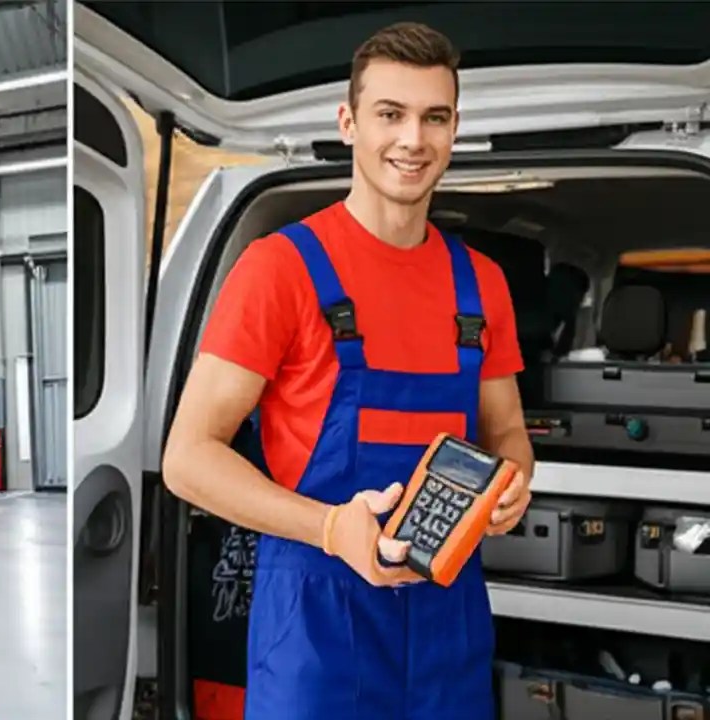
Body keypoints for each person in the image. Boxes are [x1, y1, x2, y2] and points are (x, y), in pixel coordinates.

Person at [161, 21, 535, 720]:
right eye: (390, 114)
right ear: (349, 123)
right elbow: (187, 459)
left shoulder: (480, 286)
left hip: (448, 626)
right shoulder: (280, 269)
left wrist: (513, 481)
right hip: (316, 627)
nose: (412, 140)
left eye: (435, 117)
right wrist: (335, 529)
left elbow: (507, 431)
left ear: (455, 129)